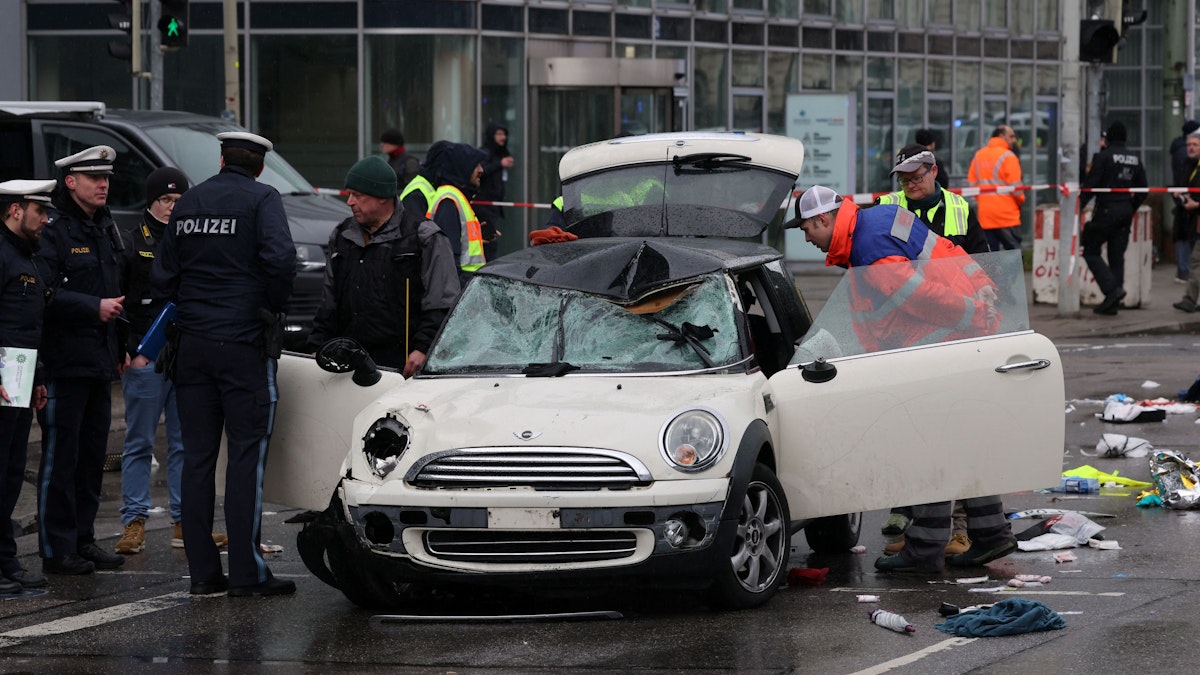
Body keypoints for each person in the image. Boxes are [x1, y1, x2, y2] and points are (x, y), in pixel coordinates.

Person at [788, 185, 1016, 573]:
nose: (806, 237)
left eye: (807, 229)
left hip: (932, 348)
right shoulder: (881, 218)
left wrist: (973, 313)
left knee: (925, 451)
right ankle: (992, 534)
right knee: (956, 445)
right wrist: (981, 286)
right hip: (951, 344)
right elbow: (947, 249)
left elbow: (919, 296)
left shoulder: (868, 247)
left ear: (823, 219)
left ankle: (924, 550)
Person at [152, 131, 297, 597]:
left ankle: (203, 575)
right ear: (259, 166)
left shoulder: (190, 202)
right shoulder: (262, 199)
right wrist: (271, 307)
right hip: (243, 346)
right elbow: (280, 261)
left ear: (220, 159)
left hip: (191, 346)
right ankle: (248, 574)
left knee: (196, 459)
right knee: (245, 460)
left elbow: (163, 274)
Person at [114, 167, 228, 555]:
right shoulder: (133, 242)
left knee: (185, 442)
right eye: (165, 200)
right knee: (140, 442)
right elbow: (121, 300)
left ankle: (186, 523)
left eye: (178, 200)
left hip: (186, 355)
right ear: (151, 201)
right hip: (146, 355)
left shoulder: (191, 237)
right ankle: (134, 522)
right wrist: (128, 350)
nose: (171, 207)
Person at [37, 146, 128, 576]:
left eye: (106, 177)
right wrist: (92, 307)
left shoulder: (104, 226)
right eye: (94, 178)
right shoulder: (53, 229)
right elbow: (42, 293)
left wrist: (122, 346)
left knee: (93, 456)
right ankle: (57, 549)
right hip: (64, 360)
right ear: (70, 182)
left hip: (99, 360)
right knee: (62, 458)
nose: (103, 184)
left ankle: (84, 539)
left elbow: (117, 288)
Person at [306, 156, 460, 376]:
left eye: (357, 195)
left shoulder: (424, 237)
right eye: (349, 194)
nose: (349, 202)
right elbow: (329, 302)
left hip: (402, 368)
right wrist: (316, 346)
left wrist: (423, 349)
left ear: (382, 198)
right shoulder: (342, 236)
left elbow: (442, 302)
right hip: (348, 366)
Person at [0, 179, 57, 592]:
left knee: (11, 473)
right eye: (39, 210)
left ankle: (6, 559)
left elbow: (27, 326)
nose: (46, 219)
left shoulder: (27, 256)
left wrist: (36, 380)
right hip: (1, 379)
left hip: (18, 377)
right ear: (16, 210)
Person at [1081, 121, 1148, 316]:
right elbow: (1143, 188)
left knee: (1091, 251)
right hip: (1125, 213)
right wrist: (1131, 207)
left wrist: (1078, 207)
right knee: (1116, 257)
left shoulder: (1103, 157)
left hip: (1105, 212)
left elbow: (1090, 186)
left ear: (1108, 138)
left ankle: (1112, 291)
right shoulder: (1135, 158)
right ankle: (1112, 303)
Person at [877, 144, 988, 254]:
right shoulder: (883, 207)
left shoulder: (961, 208)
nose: (910, 185)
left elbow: (982, 259)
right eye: (904, 180)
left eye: (917, 178)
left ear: (934, 171)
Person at [422, 141, 487, 285]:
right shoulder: (449, 200)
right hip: (462, 289)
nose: (481, 170)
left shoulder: (455, 197)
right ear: (463, 167)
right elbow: (449, 258)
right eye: (476, 165)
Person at [968, 125, 1025, 252]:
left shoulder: (979, 155)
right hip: (1007, 216)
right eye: (1011, 136)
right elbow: (1017, 190)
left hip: (986, 216)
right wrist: (1020, 202)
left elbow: (972, 185)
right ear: (1001, 136)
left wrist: (985, 200)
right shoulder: (1009, 156)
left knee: (991, 258)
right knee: (1013, 257)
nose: (1014, 140)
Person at [475, 123, 514, 261]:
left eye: (504, 134)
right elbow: (482, 172)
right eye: (499, 134)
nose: (502, 137)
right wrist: (500, 164)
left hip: (494, 207)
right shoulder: (485, 152)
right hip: (484, 206)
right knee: (489, 242)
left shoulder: (501, 152)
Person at [1170, 121, 1200, 283]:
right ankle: (1184, 275)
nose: (1191, 147)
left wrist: (1197, 204)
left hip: (1196, 213)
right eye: (1189, 144)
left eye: (1195, 144)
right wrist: (1179, 196)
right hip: (1185, 213)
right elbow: (1179, 185)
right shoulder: (1185, 162)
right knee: (1185, 244)